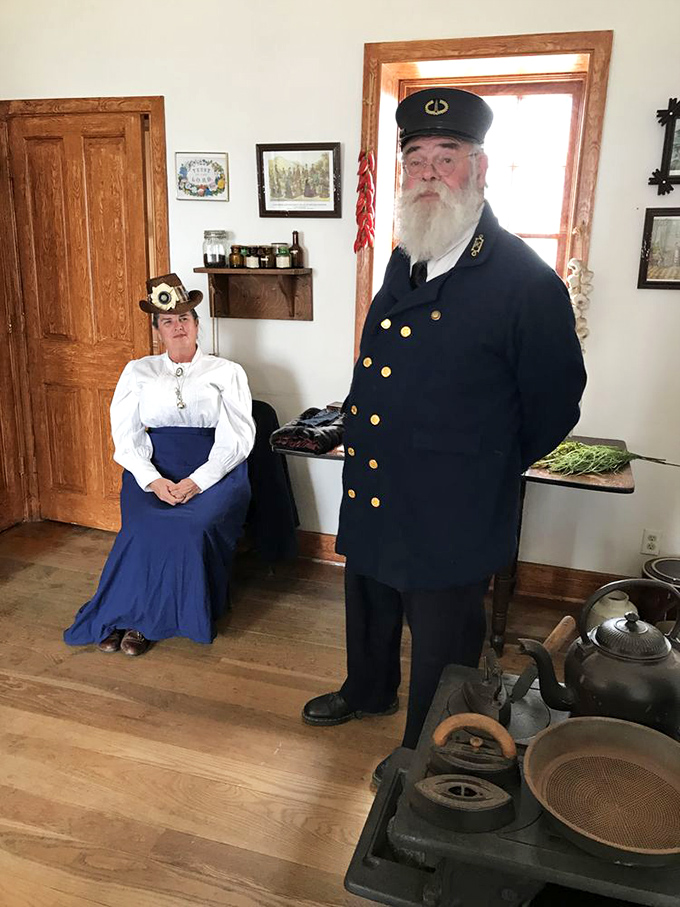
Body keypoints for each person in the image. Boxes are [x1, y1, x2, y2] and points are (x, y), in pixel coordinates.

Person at [302, 88, 587, 782]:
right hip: (378, 483)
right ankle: (368, 688)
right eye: (417, 159)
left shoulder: (525, 282)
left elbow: (556, 405)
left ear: (480, 168)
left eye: (447, 156)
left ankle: (425, 747)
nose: (429, 173)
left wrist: (484, 466)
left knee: (442, 640)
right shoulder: (407, 257)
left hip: (453, 506)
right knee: (369, 600)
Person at [64, 273, 255, 656]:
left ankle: (148, 621)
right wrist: (152, 480)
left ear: (197, 324)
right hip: (154, 469)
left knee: (189, 527)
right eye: (168, 321)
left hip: (217, 471)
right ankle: (123, 613)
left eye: (184, 318)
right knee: (144, 525)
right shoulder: (138, 371)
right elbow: (126, 434)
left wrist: (197, 481)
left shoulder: (226, 372)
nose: (178, 326)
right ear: (157, 330)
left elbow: (237, 437)